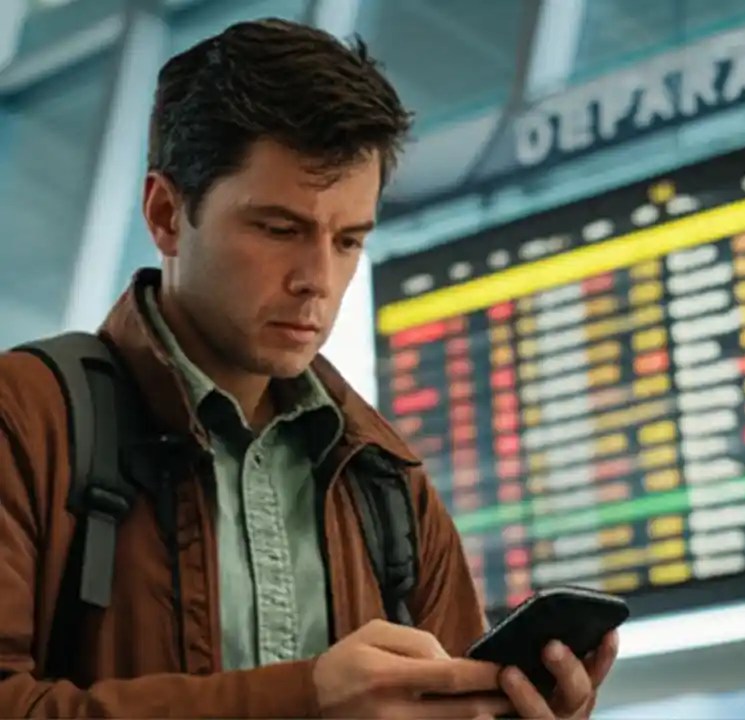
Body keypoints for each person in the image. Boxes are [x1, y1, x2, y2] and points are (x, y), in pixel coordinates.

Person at [0, 17, 618, 719]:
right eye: (279, 229)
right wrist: (305, 702)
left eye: (348, 239)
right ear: (167, 213)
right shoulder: (25, 422)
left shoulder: (388, 481)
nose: (318, 280)